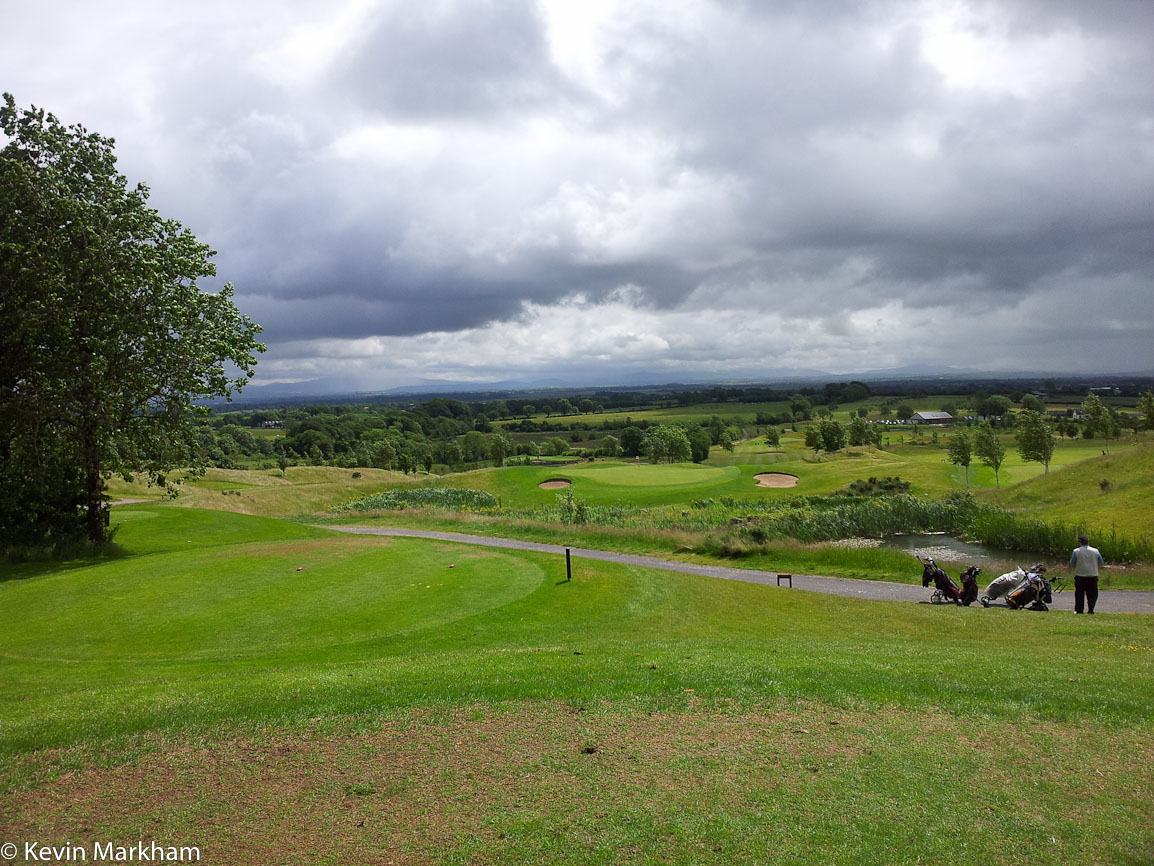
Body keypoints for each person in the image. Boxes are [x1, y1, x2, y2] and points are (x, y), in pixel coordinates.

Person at [1069, 534, 1104, 614]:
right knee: (1092, 594)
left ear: (1080, 542)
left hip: (1080, 575)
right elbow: (1101, 562)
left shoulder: (1076, 551)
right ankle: (1091, 609)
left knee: (1079, 594)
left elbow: (1072, 564)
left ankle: (1079, 610)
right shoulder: (1095, 551)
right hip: (1093, 575)